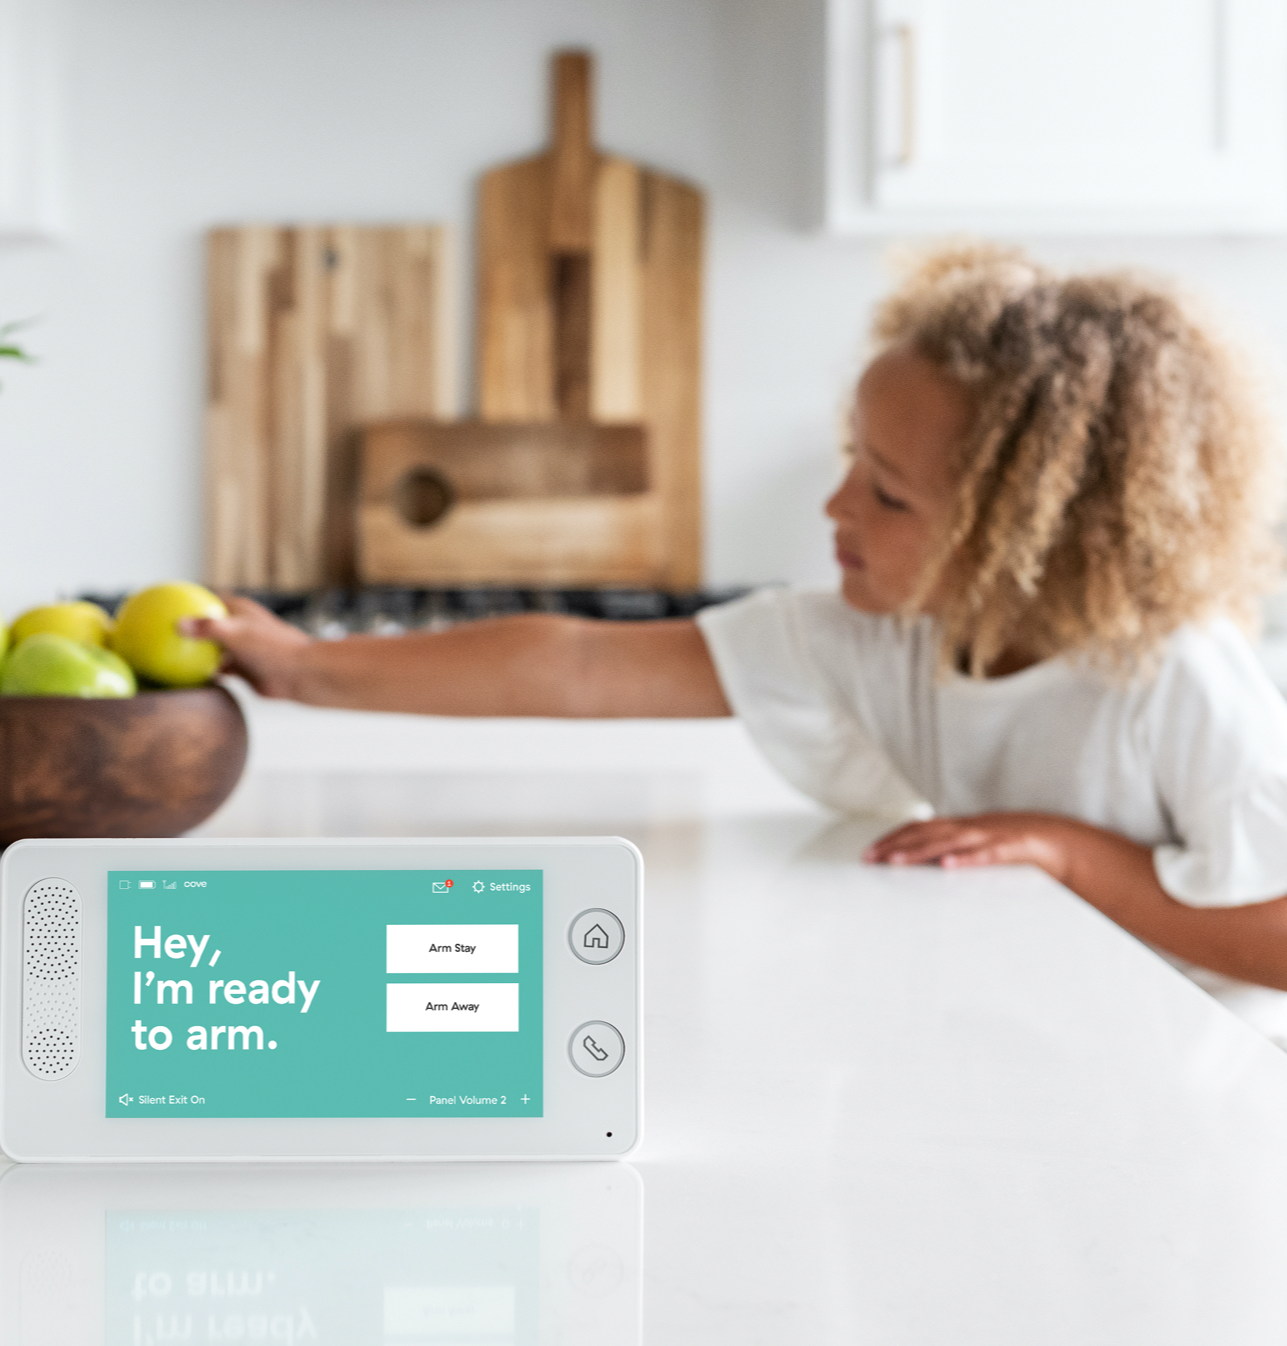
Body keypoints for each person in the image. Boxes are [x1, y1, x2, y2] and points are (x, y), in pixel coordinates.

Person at [185, 242, 1287, 1034]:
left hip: (1204, 1080)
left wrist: (1067, 849)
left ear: (1032, 537)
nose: (834, 507)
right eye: (853, 460)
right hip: (1063, 1049)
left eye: (888, 494)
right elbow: (578, 663)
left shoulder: (1174, 679)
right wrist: (308, 666)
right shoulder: (887, 641)